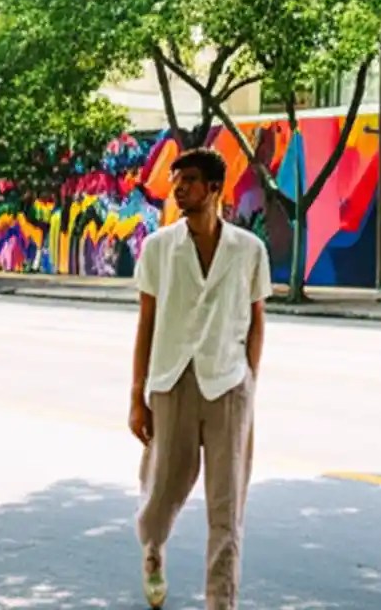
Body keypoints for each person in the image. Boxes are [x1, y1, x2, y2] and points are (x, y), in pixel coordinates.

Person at [129, 147, 272, 609]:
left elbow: (256, 318)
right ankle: (153, 551)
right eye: (176, 180)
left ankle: (220, 601)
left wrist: (249, 378)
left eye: (189, 180)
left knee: (227, 505)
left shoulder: (249, 250)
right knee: (162, 488)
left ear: (215, 188)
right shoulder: (157, 248)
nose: (179, 188)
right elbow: (146, 322)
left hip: (228, 384)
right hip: (172, 380)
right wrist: (138, 395)